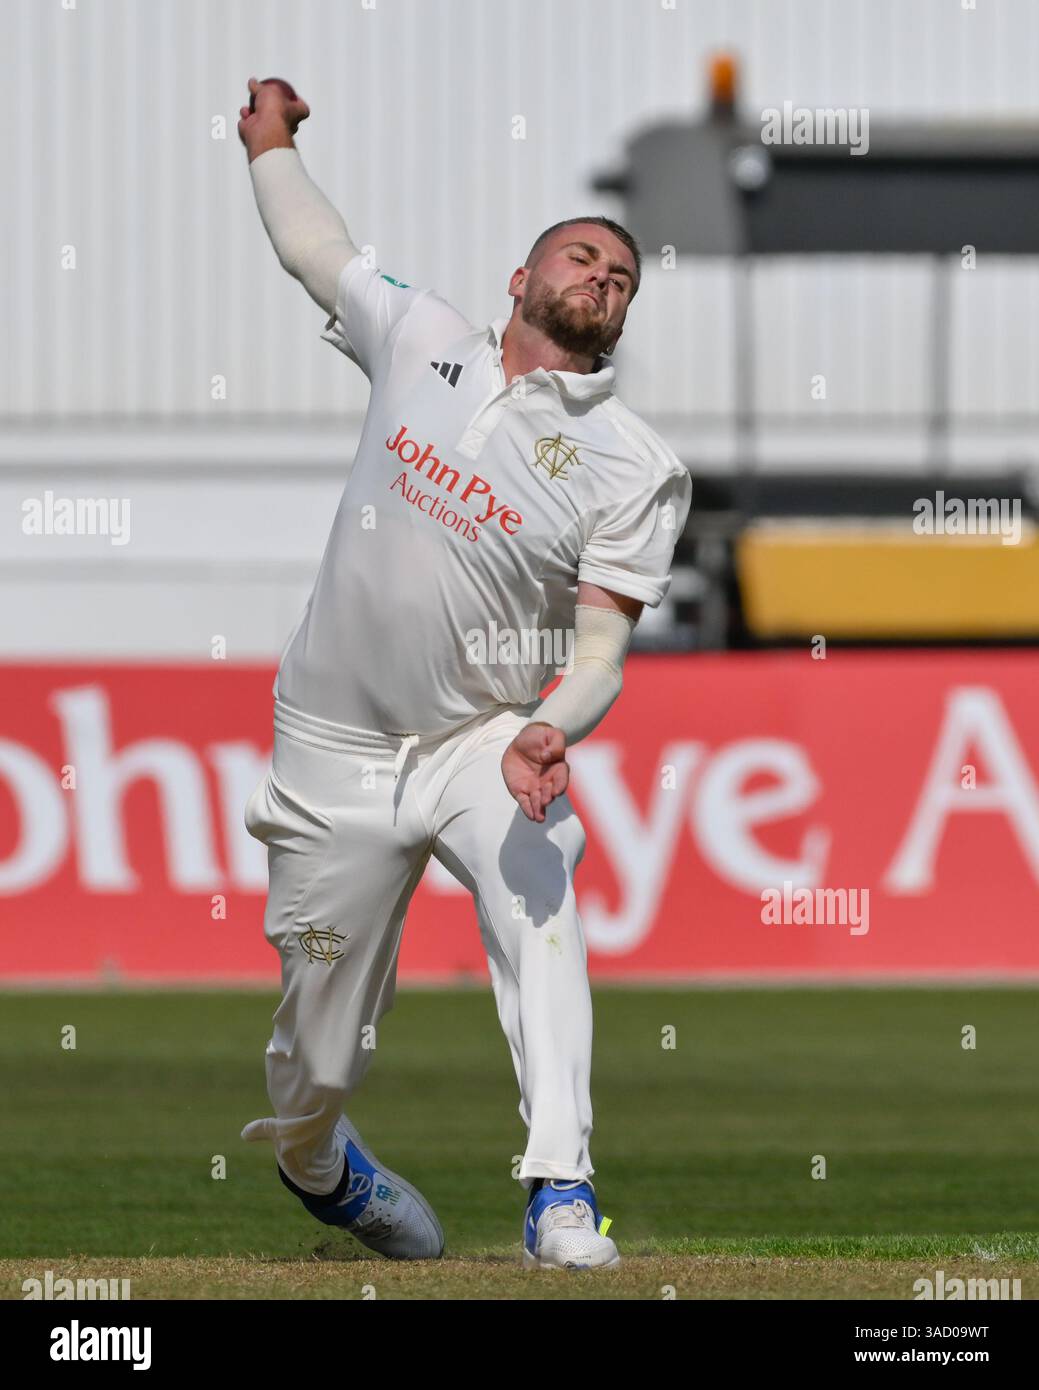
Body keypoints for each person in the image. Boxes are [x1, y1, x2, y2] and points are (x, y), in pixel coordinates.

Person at [237, 76, 691, 1270]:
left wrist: (554, 730)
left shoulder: (631, 465)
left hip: (480, 741)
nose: (605, 276)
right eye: (584, 256)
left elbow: (599, 646)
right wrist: (270, 144)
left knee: (541, 881)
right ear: (521, 279)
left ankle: (560, 1193)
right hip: (331, 750)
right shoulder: (423, 333)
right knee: (317, 1050)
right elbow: (315, 248)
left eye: (624, 277)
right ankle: (320, 1164)